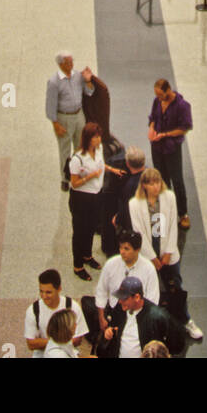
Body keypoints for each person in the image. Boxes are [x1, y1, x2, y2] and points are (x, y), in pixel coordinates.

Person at [129, 168, 203, 340]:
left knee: (175, 286)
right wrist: (152, 257)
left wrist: (168, 252)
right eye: (151, 183)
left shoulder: (168, 197)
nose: (156, 186)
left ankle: (186, 320)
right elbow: (139, 232)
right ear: (144, 185)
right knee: (149, 289)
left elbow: (172, 226)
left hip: (168, 253)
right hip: (148, 256)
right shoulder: (134, 204)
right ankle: (151, 326)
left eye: (158, 182)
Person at [87, 230, 161, 348]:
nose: (122, 252)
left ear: (137, 250)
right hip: (114, 311)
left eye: (126, 249)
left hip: (137, 313)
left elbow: (153, 300)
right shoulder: (111, 264)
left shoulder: (148, 269)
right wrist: (101, 318)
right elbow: (101, 292)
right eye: (121, 248)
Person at [69, 121, 116, 281]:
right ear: (88, 138)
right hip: (81, 198)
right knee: (79, 231)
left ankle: (87, 255)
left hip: (96, 195)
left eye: (99, 136)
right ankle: (77, 265)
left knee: (91, 227)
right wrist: (90, 176)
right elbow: (74, 183)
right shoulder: (77, 159)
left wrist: (111, 169)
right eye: (95, 137)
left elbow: (101, 166)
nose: (98, 140)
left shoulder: (100, 149)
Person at [99, 277, 186, 359]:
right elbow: (111, 327)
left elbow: (178, 341)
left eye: (124, 298)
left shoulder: (157, 316)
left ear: (137, 297)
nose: (120, 301)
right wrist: (108, 333)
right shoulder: (120, 308)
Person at [147, 79, 193, 231]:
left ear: (168, 90)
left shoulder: (182, 106)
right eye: (157, 95)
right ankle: (165, 209)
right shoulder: (157, 101)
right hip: (157, 146)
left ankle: (183, 213)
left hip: (171, 148)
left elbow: (185, 127)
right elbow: (153, 118)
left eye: (161, 95)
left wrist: (166, 134)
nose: (159, 98)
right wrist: (152, 129)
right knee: (161, 179)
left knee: (177, 180)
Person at [47, 52, 95, 192]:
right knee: (64, 150)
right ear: (61, 64)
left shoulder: (78, 77)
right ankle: (65, 178)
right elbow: (50, 105)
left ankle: (79, 172)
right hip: (64, 118)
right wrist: (55, 124)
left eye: (72, 61)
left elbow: (89, 92)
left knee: (81, 146)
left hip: (79, 115)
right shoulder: (54, 82)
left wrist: (88, 80)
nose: (71, 64)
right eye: (68, 62)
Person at [24, 270, 88, 358]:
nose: (44, 296)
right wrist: (60, 342)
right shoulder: (33, 310)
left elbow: (78, 339)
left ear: (59, 289)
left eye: (48, 292)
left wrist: (45, 342)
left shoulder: (72, 306)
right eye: (41, 291)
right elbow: (31, 344)